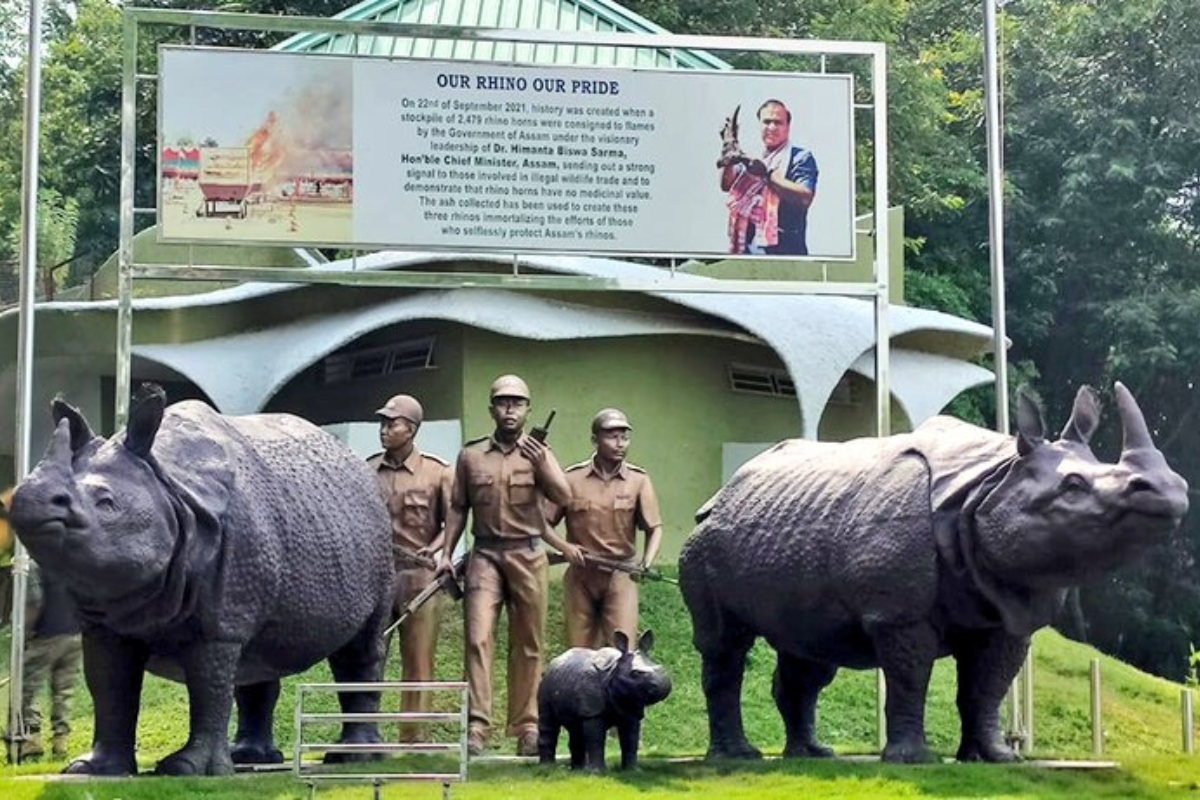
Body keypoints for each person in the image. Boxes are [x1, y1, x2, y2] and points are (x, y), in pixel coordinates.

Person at [436, 374, 572, 757]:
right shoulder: (471, 455)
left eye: (517, 403)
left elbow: (565, 496)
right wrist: (446, 553)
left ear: (528, 410)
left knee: (528, 643)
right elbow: (458, 507)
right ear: (491, 409)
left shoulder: (539, 452)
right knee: (478, 640)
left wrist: (542, 463)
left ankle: (527, 726)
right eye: (502, 402)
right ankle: (476, 727)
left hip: (528, 555)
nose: (509, 409)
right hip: (485, 555)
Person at [366, 393, 452, 743]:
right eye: (382, 423)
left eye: (392, 423)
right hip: (377, 576)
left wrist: (433, 550)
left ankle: (414, 736)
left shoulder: (438, 472)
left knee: (418, 661)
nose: (384, 430)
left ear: (412, 429)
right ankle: (362, 732)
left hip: (419, 576)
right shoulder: (367, 469)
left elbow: (453, 524)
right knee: (369, 656)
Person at [545, 408, 663, 650]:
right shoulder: (571, 479)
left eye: (624, 437)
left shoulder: (638, 481)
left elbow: (655, 528)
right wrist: (564, 547)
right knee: (579, 651)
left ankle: (619, 689)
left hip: (620, 574)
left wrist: (647, 563)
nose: (620, 444)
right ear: (594, 440)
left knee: (623, 648)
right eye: (612, 436)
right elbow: (542, 523)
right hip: (581, 575)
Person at [2, 488, 83, 764]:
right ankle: (61, 743)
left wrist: (25, 634)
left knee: (26, 686)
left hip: (47, 635)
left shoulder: (35, 565)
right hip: (74, 635)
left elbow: (34, 603)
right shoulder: (70, 565)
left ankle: (30, 739)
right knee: (63, 691)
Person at [719, 98, 819, 256]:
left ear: (788, 126)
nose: (771, 127)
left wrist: (766, 175)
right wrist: (727, 151)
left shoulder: (800, 157)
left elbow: (805, 197)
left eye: (778, 122)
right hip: (747, 250)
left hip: (785, 252)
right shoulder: (752, 156)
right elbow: (726, 185)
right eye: (766, 122)